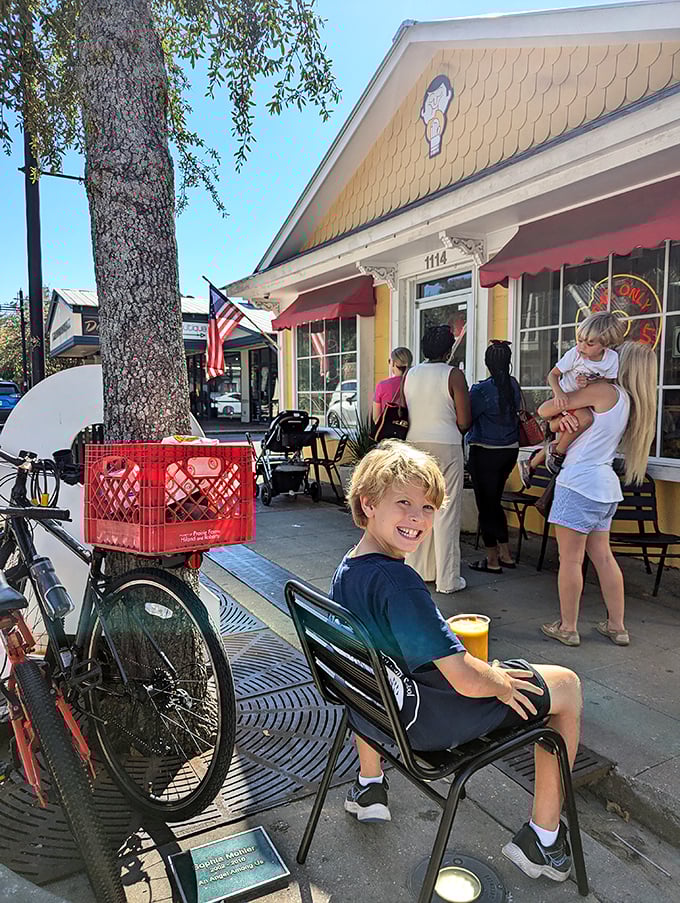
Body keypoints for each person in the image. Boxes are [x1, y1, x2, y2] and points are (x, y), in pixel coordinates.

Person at [332, 440, 583, 885]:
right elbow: (466, 679)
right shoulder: (400, 583)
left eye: (428, 508)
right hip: (424, 723)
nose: (417, 518)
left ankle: (370, 787)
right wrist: (502, 683)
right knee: (565, 685)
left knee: (459, 671)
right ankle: (543, 839)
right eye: (404, 503)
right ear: (368, 504)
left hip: (375, 708)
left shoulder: (350, 567)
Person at [538, 341, 657, 647]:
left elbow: (549, 408)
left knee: (571, 561)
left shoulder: (603, 392)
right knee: (604, 557)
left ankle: (568, 627)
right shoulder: (631, 401)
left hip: (578, 483)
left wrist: (556, 411)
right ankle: (617, 627)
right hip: (604, 487)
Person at [520, 312, 626, 486]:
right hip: (567, 399)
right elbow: (553, 375)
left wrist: (592, 381)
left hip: (583, 401)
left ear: (605, 344)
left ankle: (530, 464)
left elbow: (607, 380)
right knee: (584, 420)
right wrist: (559, 393)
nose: (582, 346)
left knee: (570, 433)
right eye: (580, 340)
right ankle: (557, 454)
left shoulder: (611, 359)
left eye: (590, 343)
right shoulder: (574, 354)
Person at [403, 325, 471, 593]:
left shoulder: (410, 374)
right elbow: (464, 421)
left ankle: (419, 570)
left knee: (417, 509)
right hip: (446, 444)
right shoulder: (453, 374)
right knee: (446, 511)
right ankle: (448, 578)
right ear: (448, 349)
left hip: (414, 444)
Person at [467, 340, 522, 573]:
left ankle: (492, 559)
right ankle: (506, 554)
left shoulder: (481, 390)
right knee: (495, 502)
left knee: (486, 505)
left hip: (485, 450)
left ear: (487, 363)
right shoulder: (513, 385)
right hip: (510, 450)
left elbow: (466, 418)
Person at [372, 347, 413, 423]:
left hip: (389, 432)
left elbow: (376, 417)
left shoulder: (382, 386)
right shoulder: (415, 383)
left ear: (394, 363)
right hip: (412, 430)